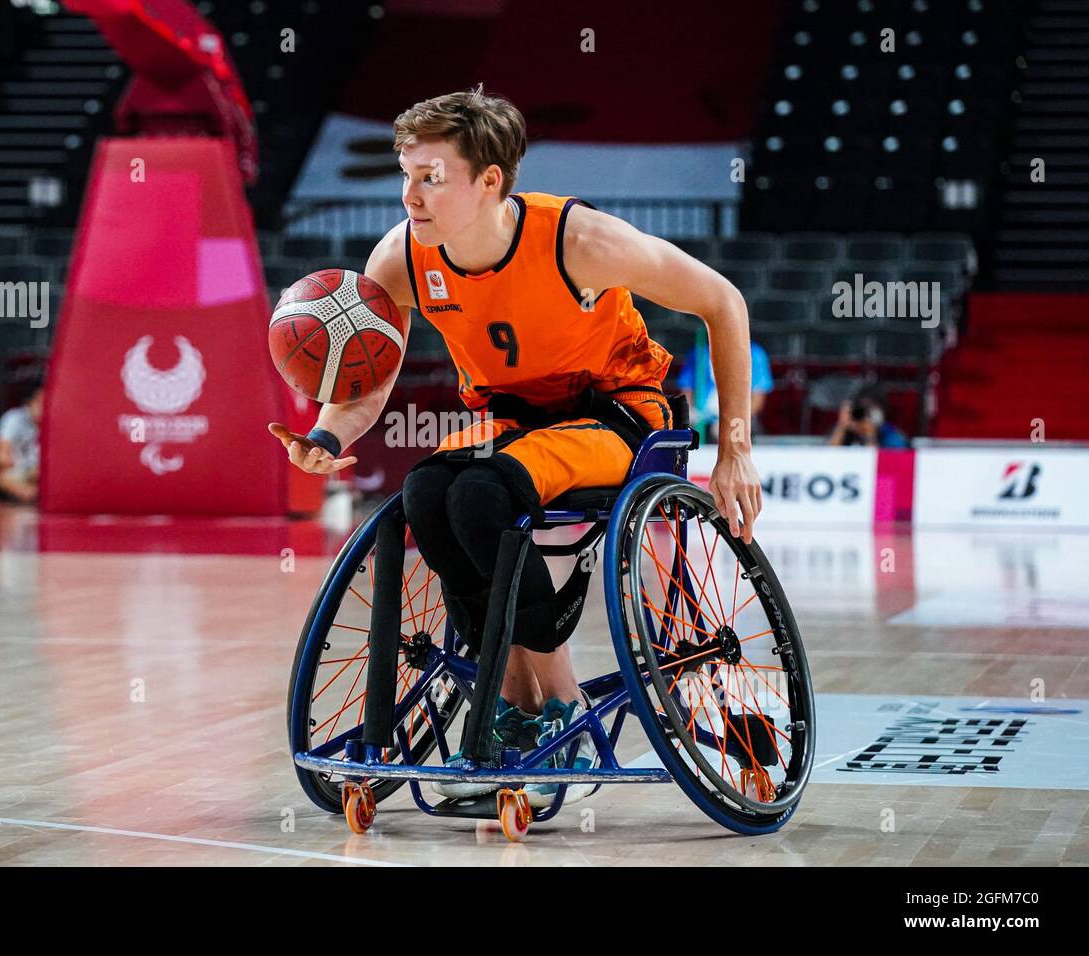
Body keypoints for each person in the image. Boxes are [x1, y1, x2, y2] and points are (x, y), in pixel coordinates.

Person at [268, 85, 761, 807]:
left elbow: (724, 301)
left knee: (480, 491)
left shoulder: (578, 241)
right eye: (405, 173)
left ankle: (557, 700)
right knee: (427, 492)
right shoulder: (402, 257)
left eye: (430, 177)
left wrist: (737, 445)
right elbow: (370, 380)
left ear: (490, 179)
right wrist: (324, 434)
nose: (410, 193)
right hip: (510, 419)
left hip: (619, 414)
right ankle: (509, 703)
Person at [677, 339, 773, 442]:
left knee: (729, 434)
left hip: (738, 417)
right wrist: (691, 412)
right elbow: (686, 389)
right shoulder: (699, 352)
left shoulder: (754, 353)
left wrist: (735, 420)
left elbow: (757, 398)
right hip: (703, 416)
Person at [0, 381, 43, 503]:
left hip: (33, 475)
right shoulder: (14, 418)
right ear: (30, 402)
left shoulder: (54, 423)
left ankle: (27, 492)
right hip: (13, 474)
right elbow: (3, 453)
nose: (44, 406)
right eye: (40, 402)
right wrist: (6, 461)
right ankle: (22, 492)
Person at [827, 387, 908, 448]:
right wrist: (842, 426)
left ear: (881, 410)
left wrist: (870, 434)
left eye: (870, 408)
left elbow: (887, 463)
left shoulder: (891, 434)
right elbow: (828, 457)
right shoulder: (845, 430)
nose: (866, 414)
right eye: (863, 409)